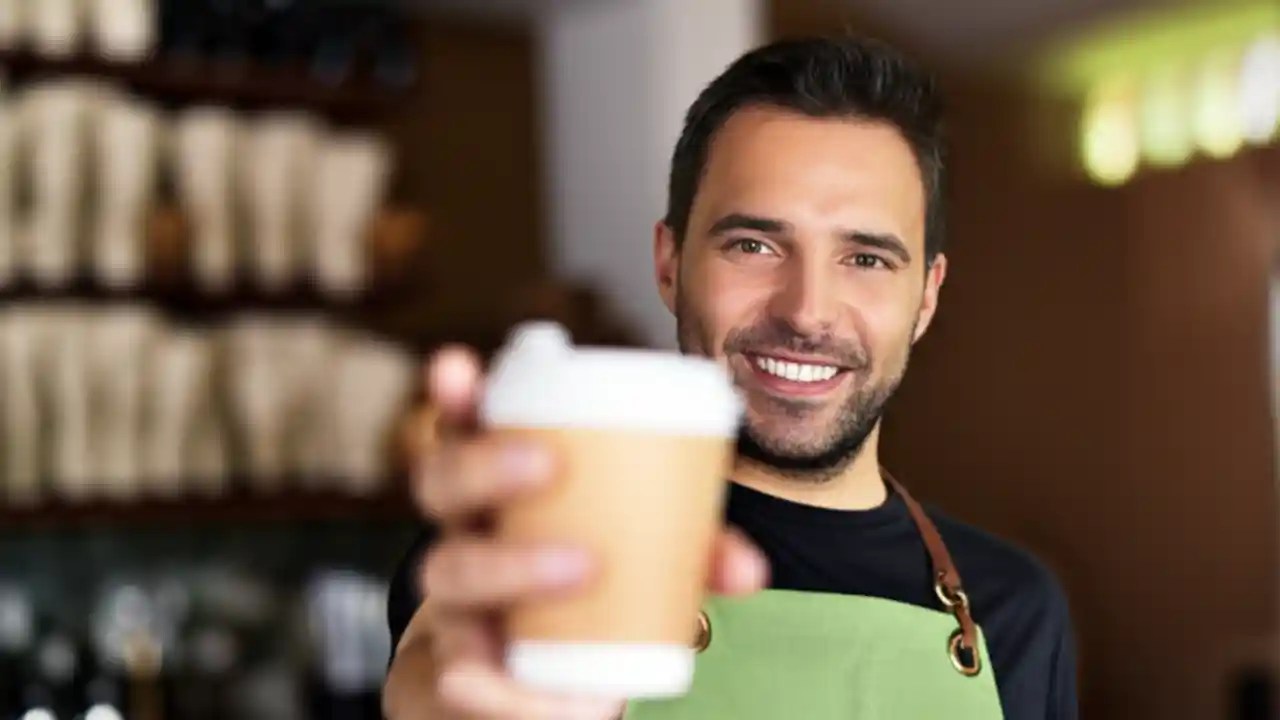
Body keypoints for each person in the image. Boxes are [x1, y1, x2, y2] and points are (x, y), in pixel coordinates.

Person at [383, 35, 1078, 720]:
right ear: (670, 264)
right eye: (754, 245)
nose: (807, 312)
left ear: (926, 297)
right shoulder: (533, 559)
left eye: (866, 259)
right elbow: (455, 687)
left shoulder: (1013, 607)